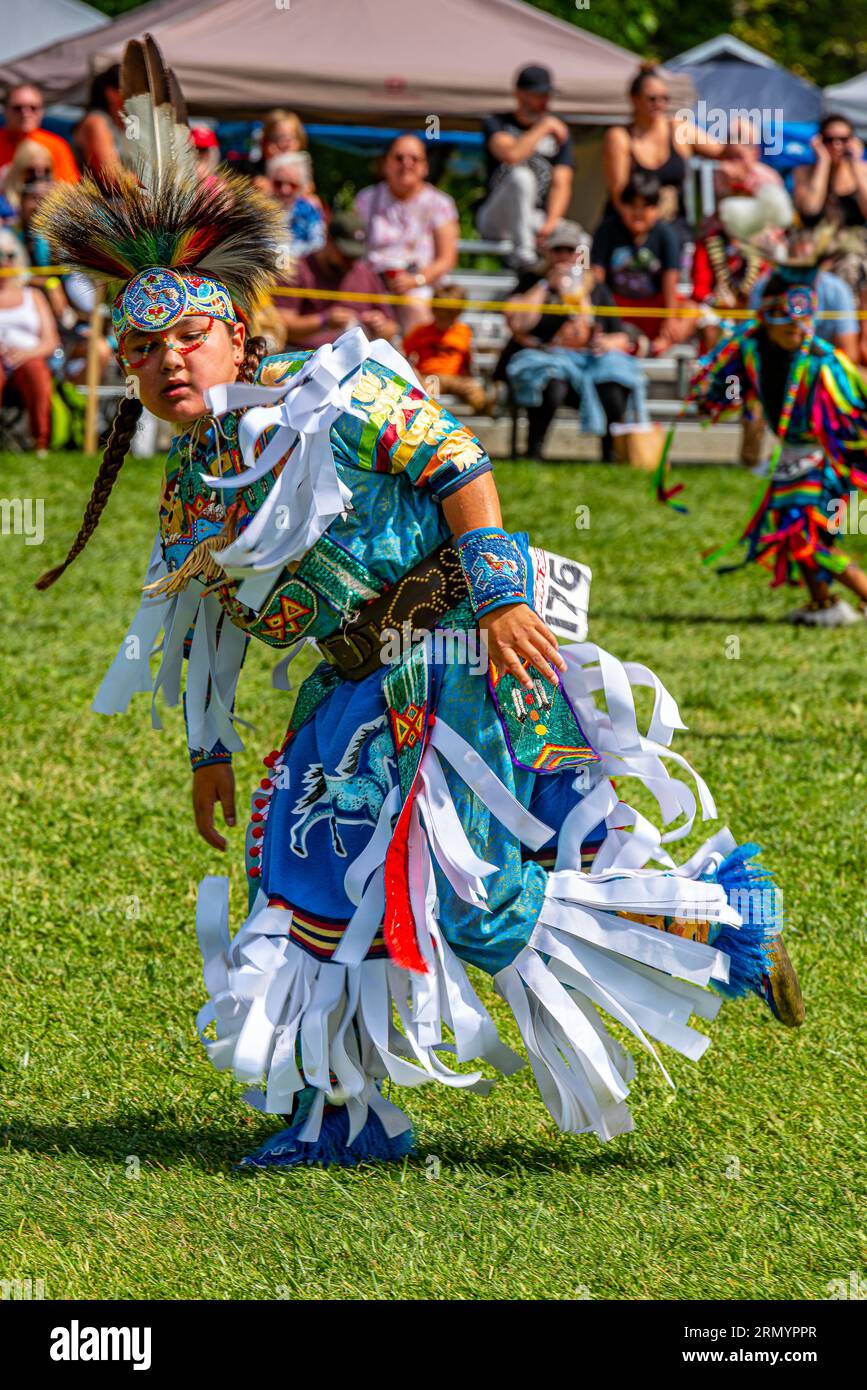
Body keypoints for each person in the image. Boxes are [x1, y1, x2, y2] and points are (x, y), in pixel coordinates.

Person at [34, 34, 804, 1171]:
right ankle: (342, 1118)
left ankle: (726, 923)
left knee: (486, 903)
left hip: (457, 653)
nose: (165, 363)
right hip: (352, 684)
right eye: (142, 351)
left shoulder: (326, 397)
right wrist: (209, 749)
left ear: (238, 330)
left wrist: (496, 601)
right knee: (303, 889)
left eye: (187, 335)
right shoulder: (192, 487)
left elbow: (455, 459)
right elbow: (194, 626)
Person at [687, 265, 867, 626]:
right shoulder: (751, 349)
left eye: (801, 319)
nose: (793, 328)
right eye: (783, 318)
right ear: (765, 317)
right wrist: (712, 395)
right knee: (792, 534)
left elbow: (853, 419)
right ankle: (825, 605)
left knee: (806, 536)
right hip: (789, 456)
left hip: (826, 459)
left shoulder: (824, 363)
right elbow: (728, 385)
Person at [495, 221, 646, 460]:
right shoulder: (533, 280)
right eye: (558, 250)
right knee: (551, 380)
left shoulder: (595, 286)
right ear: (548, 252)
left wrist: (602, 340)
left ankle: (612, 454)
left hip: (587, 364)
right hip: (545, 360)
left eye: (571, 250)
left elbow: (620, 334)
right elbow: (518, 323)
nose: (564, 257)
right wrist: (547, 285)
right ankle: (534, 451)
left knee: (613, 380)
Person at [601, 64, 723, 240]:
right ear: (634, 99)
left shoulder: (678, 129)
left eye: (664, 98)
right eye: (652, 98)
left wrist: (741, 134)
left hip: (673, 230)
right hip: (629, 228)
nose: (659, 104)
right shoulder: (619, 136)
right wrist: (644, 234)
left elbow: (722, 151)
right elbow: (620, 196)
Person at [355, 135, 459, 332]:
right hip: (373, 285)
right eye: (399, 158)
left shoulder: (440, 203)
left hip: (420, 286)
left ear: (425, 166)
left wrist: (415, 280)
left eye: (414, 158)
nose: (406, 164)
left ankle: (418, 360)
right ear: (386, 164)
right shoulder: (366, 199)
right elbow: (353, 247)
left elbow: (447, 259)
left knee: (415, 307)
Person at [476, 65, 574, 270]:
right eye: (538, 94)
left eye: (547, 94)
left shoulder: (560, 133)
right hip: (496, 218)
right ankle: (525, 256)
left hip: (534, 219)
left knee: (577, 237)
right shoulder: (496, 122)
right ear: (519, 94)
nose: (545, 101)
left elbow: (561, 183)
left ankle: (576, 285)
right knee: (522, 177)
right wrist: (544, 127)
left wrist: (551, 225)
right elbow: (511, 155)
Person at [592, 173, 698, 354]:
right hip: (617, 308)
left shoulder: (666, 233)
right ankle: (626, 343)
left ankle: (655, 347)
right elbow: (597, 277)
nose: (639, 213)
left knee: (691, 311)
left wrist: (670, 318)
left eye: (646, 206)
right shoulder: (606, 229)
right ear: (622, 206)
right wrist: (597, 316)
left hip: (654, 309)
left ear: (656, 209)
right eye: (633, 206)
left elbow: (671, 278)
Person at [793, 114, 867, 358]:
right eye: (830, 139)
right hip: (817, 253)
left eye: (843, 139)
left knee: (850, 268)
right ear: (819, 141)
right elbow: (811, 209)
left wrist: (856, 164)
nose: (837, 145)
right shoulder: (805, 172)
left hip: (855, 254)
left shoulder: (862, 171)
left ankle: (852, 346)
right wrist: (823, 164)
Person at [277, 209, 397, 349]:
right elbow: (282, 326)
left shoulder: (366, 274)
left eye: (355, 255)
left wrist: (379, 325)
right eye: (345, 254)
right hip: (305, 357)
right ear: (328, 239)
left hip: (358, 358)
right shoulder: (297, 270)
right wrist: (323, 321)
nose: (350, 261)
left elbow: (392, 327)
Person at [0, 229, 59, 456]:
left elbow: (51, 341)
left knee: (36, 371)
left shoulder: (33, 295)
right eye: (0, 256)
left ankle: (40, 442)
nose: (4, 261)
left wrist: (25, 354)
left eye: (10, 256)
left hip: (29, 356)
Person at [403, 283, 491, 415]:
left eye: (450, 312)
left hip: (456, 378)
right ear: (434, 309)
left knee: (475, 392)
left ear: (458, 312)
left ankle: (484, 413)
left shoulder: (463, 331)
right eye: (441, 311)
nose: (445, 316)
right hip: (431, 377)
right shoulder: (420, 332)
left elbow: (468, 360)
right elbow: (406, 356)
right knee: (427, 395)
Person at [0, 85, 79, 186]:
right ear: (5, 111)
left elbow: (70, 189)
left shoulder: (56, 145)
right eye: (18, 108)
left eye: (33, 108)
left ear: (42, 112)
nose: (25, 113)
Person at [266, 151, 325, 259]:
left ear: (301, 186)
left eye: (292, 185)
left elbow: (318, 243)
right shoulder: (260, 210)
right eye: (278, 183)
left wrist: (289, 255)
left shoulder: (309, 210)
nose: (285, 190)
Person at [74, 65, 125, 179]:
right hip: (105, 196)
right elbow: (111, 177)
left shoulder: (127, 125)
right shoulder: (96, 122)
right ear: (111, 93)